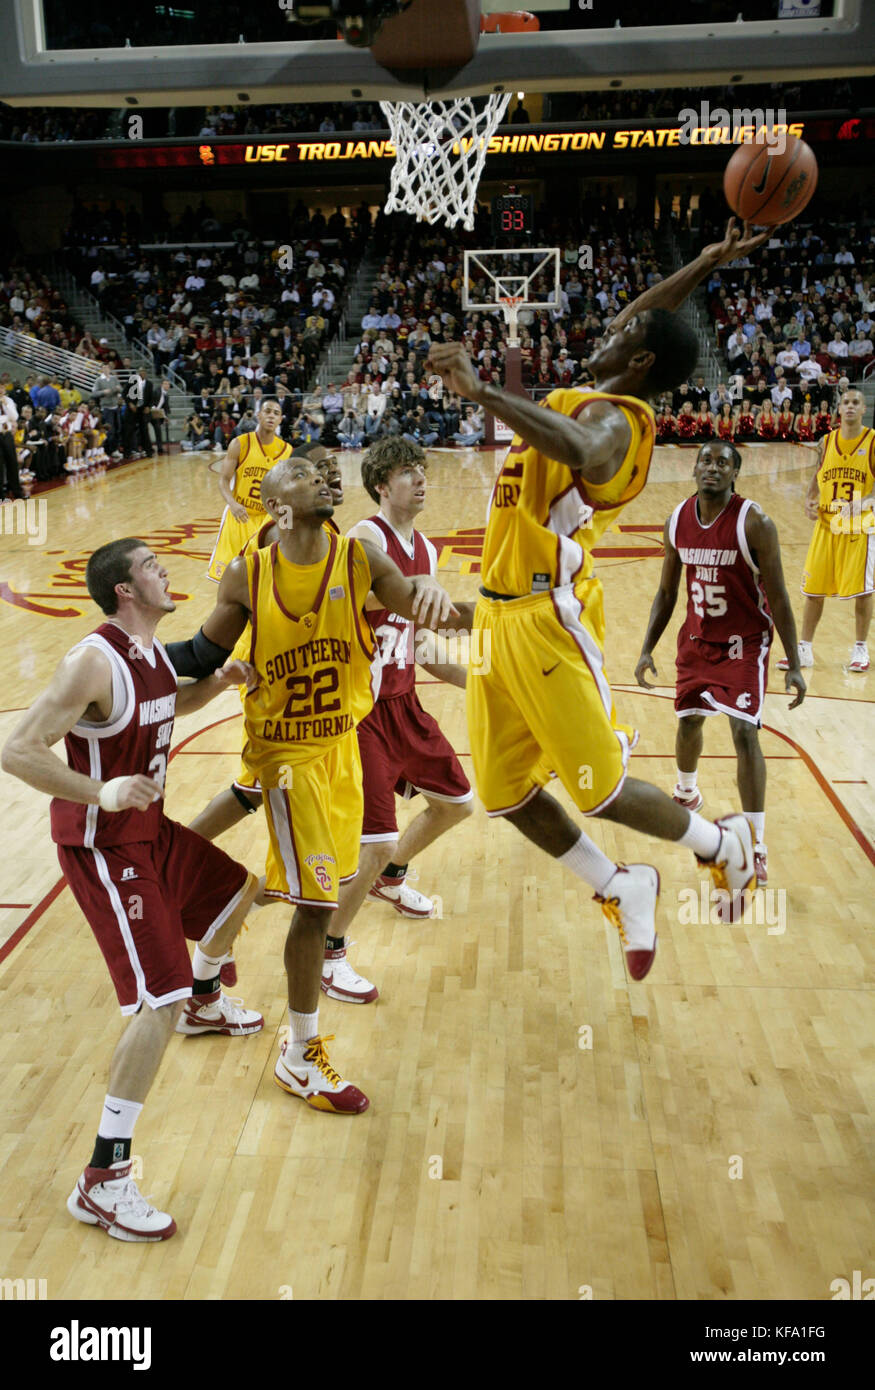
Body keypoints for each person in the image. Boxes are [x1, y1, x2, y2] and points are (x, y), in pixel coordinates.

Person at [426, 217, 771, 979]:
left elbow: (581, 450)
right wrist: (705, 261)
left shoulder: (617, 421)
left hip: (546, 616)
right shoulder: (598, 387)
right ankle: (620, 885)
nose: (604, 333)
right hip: (495, 613)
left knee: (602, 790)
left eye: (621, 335)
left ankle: (723, 846)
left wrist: (484, 390)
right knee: (504, 791)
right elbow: (643, 320)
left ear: (639, 361)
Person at [170, 453, 458, 1112]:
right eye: (302, 474)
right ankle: (300, 1055)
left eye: (321, 472)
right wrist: (118, 665)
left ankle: (204, 978)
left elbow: (422, 608)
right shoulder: (249, 575)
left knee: (301, 884)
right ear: (276, 507)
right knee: (316, 901)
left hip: (340, 751)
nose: (323, 478)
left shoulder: (356, 558)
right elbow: (196, 657)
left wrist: (504, 616)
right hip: (284, 758)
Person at [0, 538, 264, 1242]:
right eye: (151, 565)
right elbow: (16, 749)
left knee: (238, 890)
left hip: (150, 831)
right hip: (104, 845)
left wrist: (220, 683)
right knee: (157, 999)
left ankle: (205, 1005)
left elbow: (164, 701)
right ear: (124, 589)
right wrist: (101, 790)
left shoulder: (148, 651)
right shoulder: (92, 658)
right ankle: (103, 1180)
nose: (163, 570)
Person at [635, 441, 806, 887]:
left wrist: (794, 660)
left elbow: (782, 597)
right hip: (695, 641)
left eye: (722, 463)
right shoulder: (677, 519)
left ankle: (755, 844)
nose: (712, 468)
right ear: (694, 468)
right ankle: (687, 792)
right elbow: (667, 592)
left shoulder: (756, 523)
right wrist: (646, 647)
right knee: (689, 722)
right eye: (705, 461)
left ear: (735, 474)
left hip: (742, 644)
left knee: (744, 732)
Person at [777, 387, 874, 674]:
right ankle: (804, 649)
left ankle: (860, 649)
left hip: (859, 525)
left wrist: (865, 503)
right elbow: (817, 475)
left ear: (864, 409)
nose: (851, 406)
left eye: (856, 402)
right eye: (846, 402)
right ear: (839, 409)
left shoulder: (872, 441)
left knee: (862, 591)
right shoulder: (826, 441)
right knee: (813, 589)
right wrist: (808, 498)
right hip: (827, 523)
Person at [206, 397, 290, 581]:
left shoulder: (286, 451)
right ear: (259, 415)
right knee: (228, 580)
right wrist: (232, 504)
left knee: (263, 578)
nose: (271, 416)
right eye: (267, 411)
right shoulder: (240, 443)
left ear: (280, 420)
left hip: (266, 521)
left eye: (276, 413)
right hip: (239, 516)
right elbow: (224, 480)